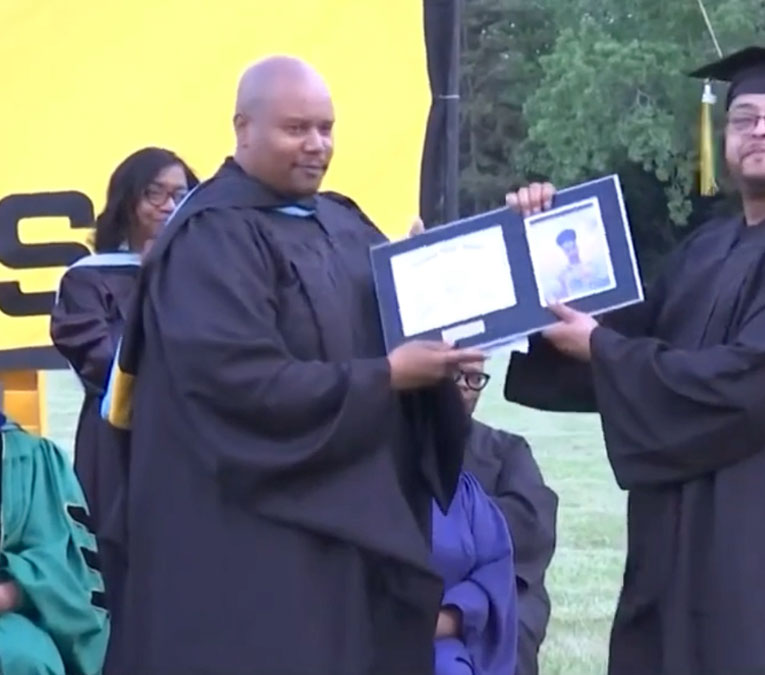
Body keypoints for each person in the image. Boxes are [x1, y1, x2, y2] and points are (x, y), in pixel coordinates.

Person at [98, 55, 485, 675]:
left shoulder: (345, 222)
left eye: (327, 128)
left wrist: (441, 293)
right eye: (296, 129)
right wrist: (387, 377)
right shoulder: (209, 239)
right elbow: (238, 384)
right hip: (252, 539)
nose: (317, 145)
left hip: (350, 525)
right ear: (242, 127)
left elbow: (403, 320)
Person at [502, 46, 765, 674]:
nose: (760, 129)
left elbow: (744, 385)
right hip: (674, 543)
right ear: (724, 137)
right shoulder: (709, 246)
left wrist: (601, 347)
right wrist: (531, 243)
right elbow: (615, 332)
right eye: (744, 118)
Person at [48, 146, 197, 616]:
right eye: (156, 193)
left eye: (181, 194)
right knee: (123, 582)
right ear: (127, 200)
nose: (170, 205)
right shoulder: (87, 282)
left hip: (195, 441)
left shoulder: (205, 274)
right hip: (118, 443)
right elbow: (101, 359)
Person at [457, 362, 558, 675]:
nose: (464, 387)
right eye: (454, 375)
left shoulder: (506, 451)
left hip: (501, 586)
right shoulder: (387, 447)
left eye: (474, 378)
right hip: (410, 586)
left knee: (506, 625)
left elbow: (531, 526)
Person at [1, 407, 109, 675]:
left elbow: (68, 571)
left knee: (22, 654)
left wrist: (11, 592)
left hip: (9, 628)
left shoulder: (32, 461)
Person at [431, 469, 518, 675]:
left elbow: (493, 573)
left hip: (444, 643)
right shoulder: (352, 490)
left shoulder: (463, 493)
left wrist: (452, 617)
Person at [544, 227, 612, 304]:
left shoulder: (592, 266)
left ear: (577, 247)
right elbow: (564, 299)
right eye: (568, 250)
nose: (572, 252)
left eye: (573, 247)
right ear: (564, 252)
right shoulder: (563, 276)